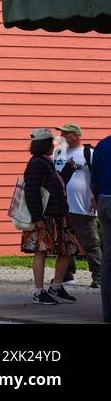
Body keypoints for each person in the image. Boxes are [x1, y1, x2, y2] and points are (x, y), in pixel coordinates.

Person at [21, 127, 79, 305]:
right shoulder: (37, 163)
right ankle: (39, 291)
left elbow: (54, 185)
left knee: (67, 249)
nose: (54, 146)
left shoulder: (46, 162)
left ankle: (56, 286)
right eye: (52, 143)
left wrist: (68, 170)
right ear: (45, 144)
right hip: (45, 217)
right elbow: (31, 191)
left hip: (58, 215)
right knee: (41, 251)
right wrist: (37, 217)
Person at [55, 123, 101, 289]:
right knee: (65, 242)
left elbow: (99, 177)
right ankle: (67, 275)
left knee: (89, 241)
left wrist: (96, 197)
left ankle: (99, 276)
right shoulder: (58, 153)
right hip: (63, 207)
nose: (62, 137)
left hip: (84, 206)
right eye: (62, 133)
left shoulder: (89, 153)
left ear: (76, 135)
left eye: (66, 134)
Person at [90, 131, 111, 323]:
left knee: (108, 258)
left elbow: (93, 180)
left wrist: (97, 199)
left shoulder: (102, 146)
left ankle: (108, 311)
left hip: (104, 201)